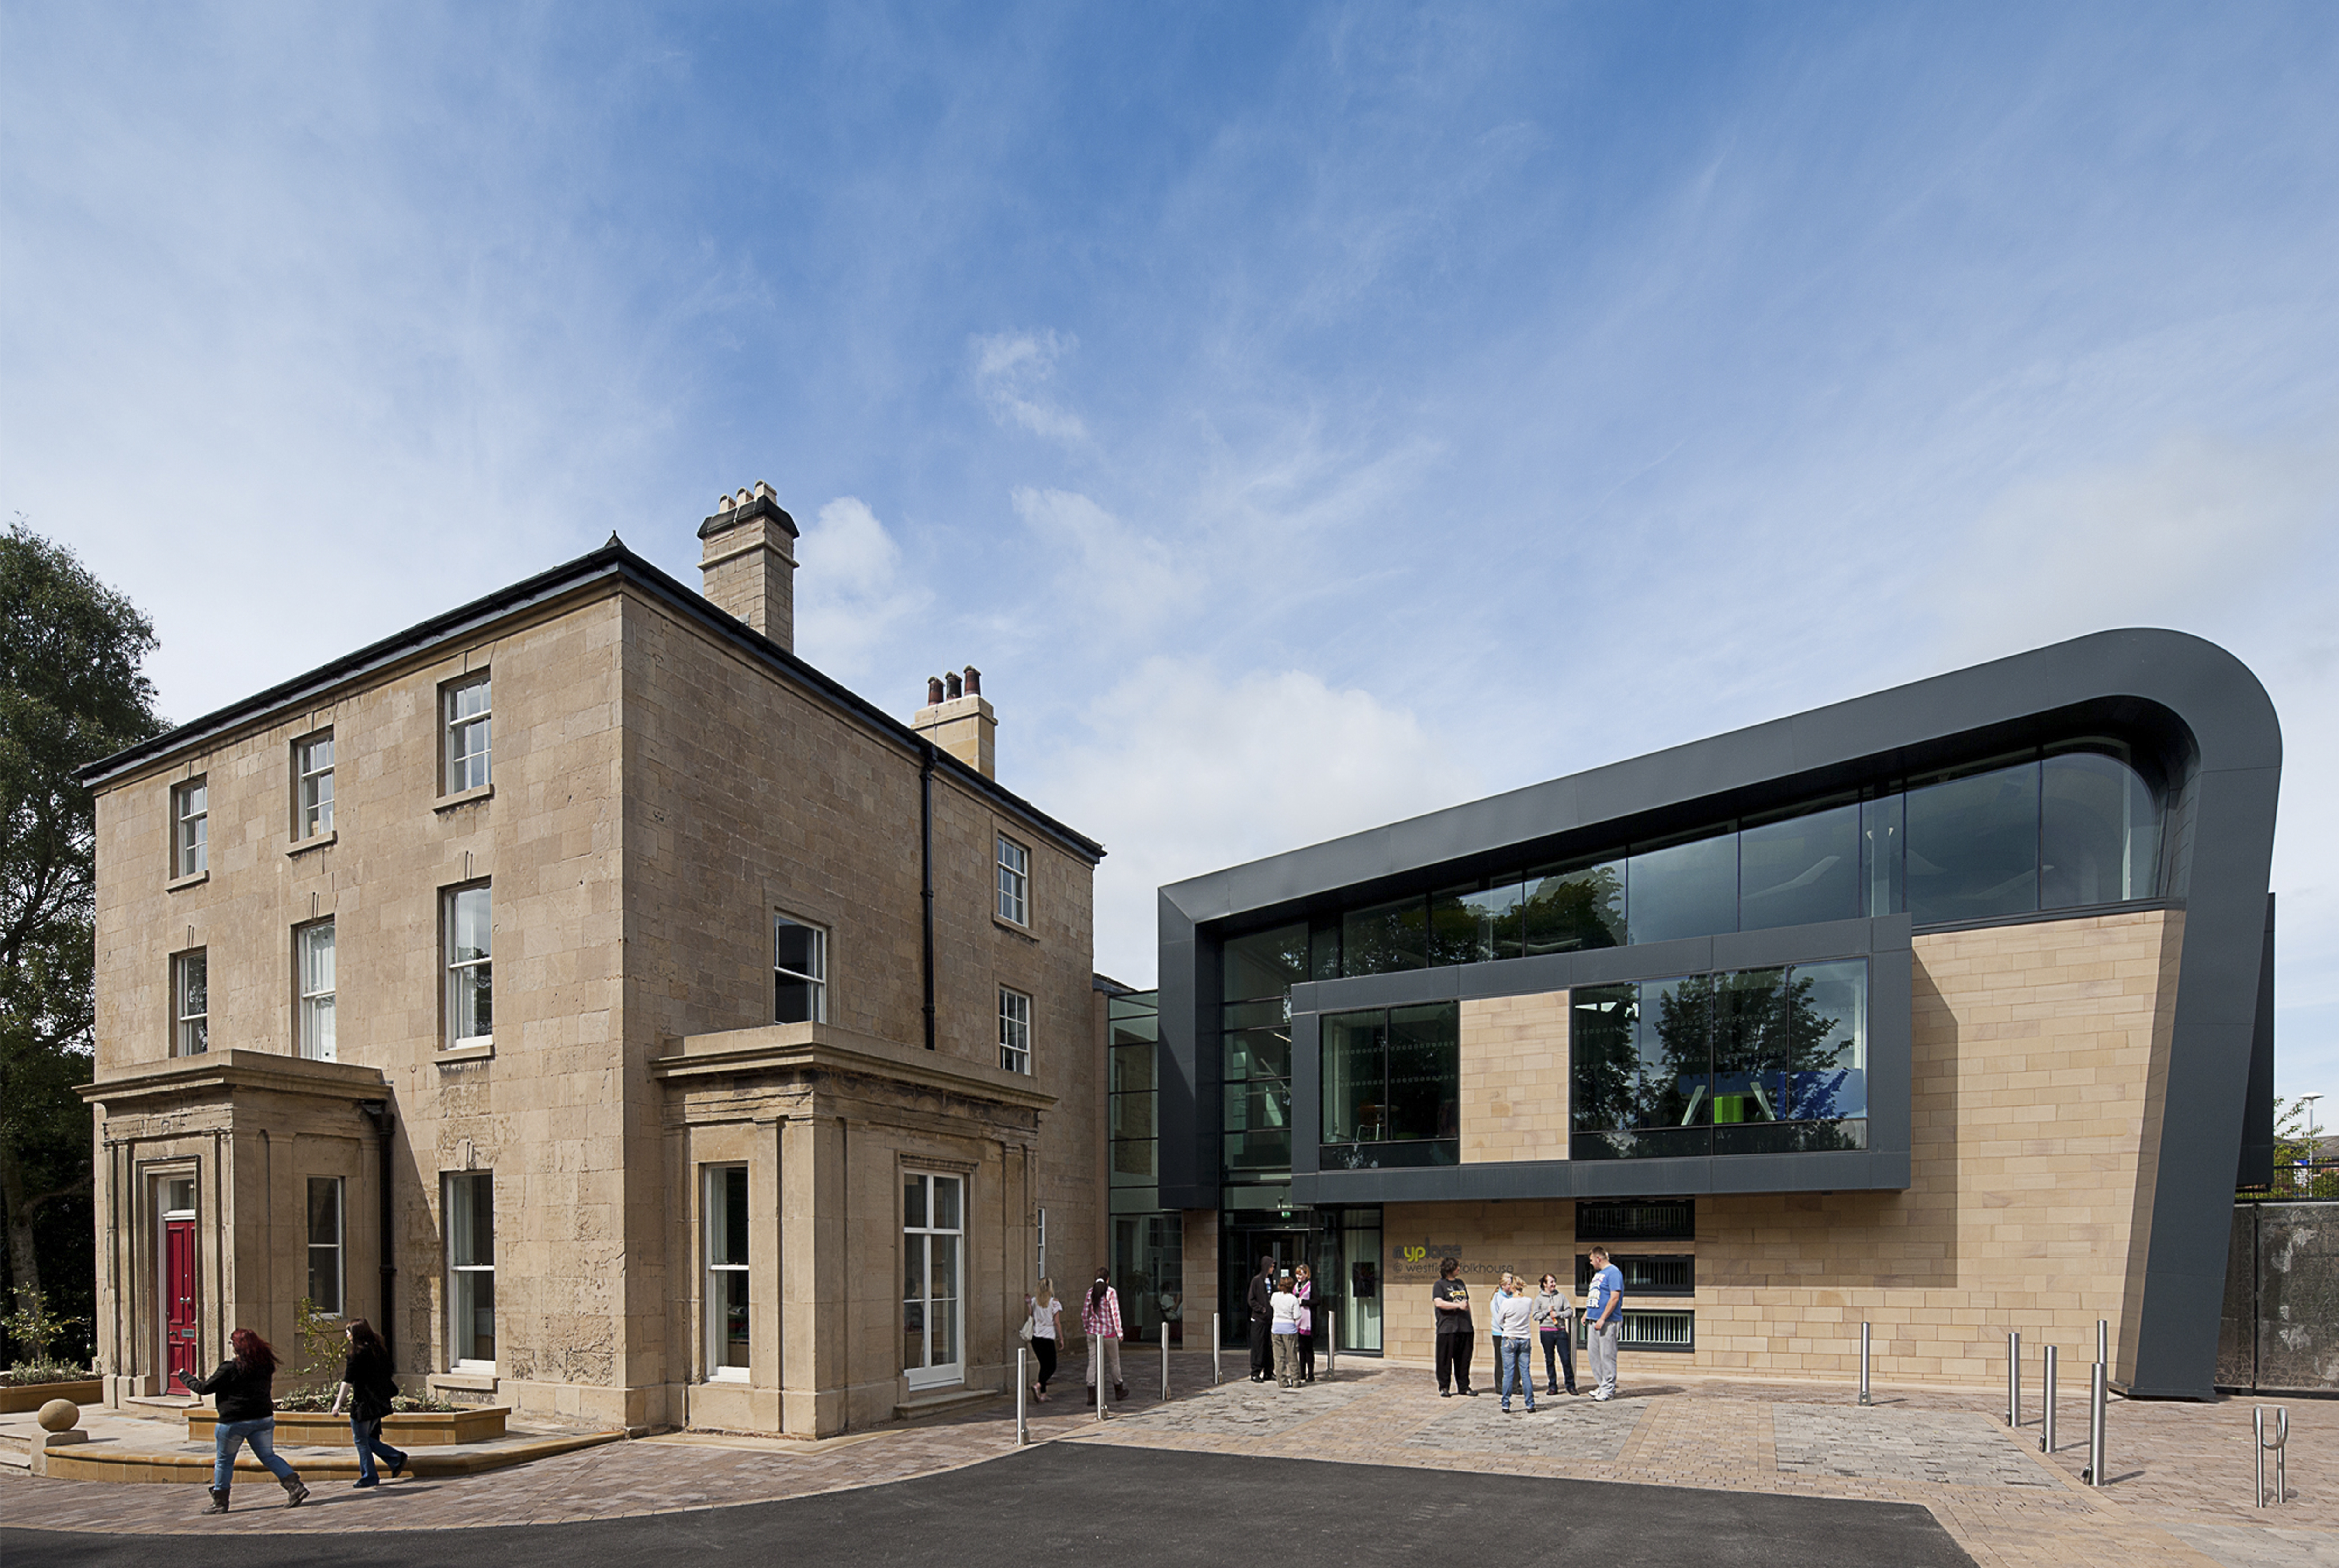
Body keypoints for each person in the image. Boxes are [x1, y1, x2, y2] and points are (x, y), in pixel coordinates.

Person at [176, 1327, 309, 1514]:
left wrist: (184, 1376)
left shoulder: (230, 1368)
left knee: (224, 1461)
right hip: (262, 1419)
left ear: (237, 1347)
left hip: (234, 1422)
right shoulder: (266, 1365)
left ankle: (220, 1502)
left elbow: (204, 1388)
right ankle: (295, 1487)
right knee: (268, 1456)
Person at [326, 1317, 408, 1487]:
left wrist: (337, 1405)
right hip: (379, 1402)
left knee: (361, 1440)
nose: (347, 1335)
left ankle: (372, 1474)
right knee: (365, 1439)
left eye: (348, 1332)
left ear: (356, 1334)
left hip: (363, 1404)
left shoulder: (356, 1355)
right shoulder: (378, 1350)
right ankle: (394, 1460)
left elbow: (347, 1382)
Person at [1492, 1271, 1537, 1412]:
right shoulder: (1529, 1301)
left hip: (1510, 1338)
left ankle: (1506, 1403)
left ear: (1513, 1287)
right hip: (1525, 1338)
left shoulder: (1507, 1303)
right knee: (1525, 1373)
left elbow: (1499, 1320)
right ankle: (1530, 1403)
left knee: (1508, 1373)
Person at [1432, 1257, 1476, 1396]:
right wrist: (1457, 1306)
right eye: (1457, 1267)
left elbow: (1466, 1303)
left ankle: (1464, 1386)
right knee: (1444, 1360)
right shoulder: (1439, 1285)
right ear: (1450, 1269)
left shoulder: (1460, 1283)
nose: (1459, 1269)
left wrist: (1470, 1322)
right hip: (1447, 1328)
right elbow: (1439, 1303)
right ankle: (1444, 1387)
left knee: (1464, 1359)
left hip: (1465, 1328)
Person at [1585, 1245, 1625, 1401]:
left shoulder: (1614, 1272)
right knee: (1594, 1355)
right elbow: (1597, 1295)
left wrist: (1603, 1318)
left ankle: (1608, 1389)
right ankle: (1602, 1385)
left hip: (1609, 1321)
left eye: (1591, 1260)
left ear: (1598, 1258)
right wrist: (1588, 1313)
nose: (1591, 1263)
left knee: (1607, 1355)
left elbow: (1614, 1298)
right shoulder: (1599, 1275)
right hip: (1593, 1320)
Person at [1083, 1266, 1128, 1402]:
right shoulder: (1111, 1292)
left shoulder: (1090, 1292)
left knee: (1093, 1363)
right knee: (1114, 1362)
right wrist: (1119, 1332)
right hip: (1108, 1333)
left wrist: (1087, 1327)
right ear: (1108, 1279)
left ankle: (1091, 1394)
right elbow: (1115, 1313)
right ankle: (1119, 1389)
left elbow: (1085, 1314)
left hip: (1093, 1333)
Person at [1532, 1272, 1577, 1396]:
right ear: (1545, 1284)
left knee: (1566, 1359)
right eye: (1551, 1282)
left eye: (1554, 1281)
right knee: (1550, 1360)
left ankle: (1571, 1386)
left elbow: (1570, 1312)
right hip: (1546, 1332)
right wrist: (1547, 1312)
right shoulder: (1539, 1299)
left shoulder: (1561, 1297)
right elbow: (1535, 1316)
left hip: (1561, 1331)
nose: (1554, 1284)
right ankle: (1552, 1386)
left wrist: (1559, 1315)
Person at [1024, 1279, 1063, 1402]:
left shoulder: (1035, 1301)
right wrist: (1061, 1338)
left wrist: (1029, 1304)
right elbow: (1057, 1323)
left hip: (1036, 1338)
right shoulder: (1054, 1303)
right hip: (1048, 1338)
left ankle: (1044, 1394)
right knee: (1052, 1366)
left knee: (1043, 1365)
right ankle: (1038, 1386)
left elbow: (1031, 1314)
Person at [1269, 1269, 1302, 1389]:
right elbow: (1297, 1315)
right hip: (1289, 1328)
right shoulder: (1293, 1299)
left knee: (1279, 1357)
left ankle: (1282, 1382)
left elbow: (1272, 1305)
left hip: (1276, 1327)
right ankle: (1296, 1380)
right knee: (1292, 1356)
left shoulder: (1275, 1296)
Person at [1246, 1254, 1276, 1382]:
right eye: (1271, 1267)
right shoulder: (1256, 1281)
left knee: (1268, 1346)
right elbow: (1251, 1300)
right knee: (1258, 1346)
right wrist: (1261, 1309)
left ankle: (1269, 1371)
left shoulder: (1271, 1281)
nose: (1273, 1269)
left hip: (1269, 1319)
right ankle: (1256, 1372)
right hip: (1259, 1319)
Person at [1292, 1263, 1318, 1383]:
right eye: (1297, 1274)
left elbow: (1317, 1301)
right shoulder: (1296, 1286)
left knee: (1308, 1348)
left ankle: (1311, 1374)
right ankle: (1302, 1373)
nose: (1298, 1277)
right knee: (1301, 1348)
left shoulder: (1311, 1286)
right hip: (1298, 1320)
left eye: (1301, 1274)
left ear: (1307, 1275)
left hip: (1308, 1321)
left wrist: (1305, 1302)